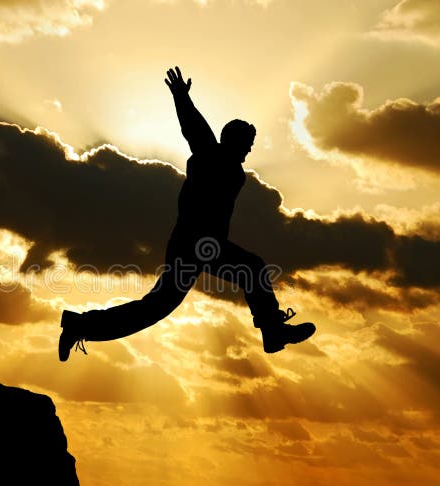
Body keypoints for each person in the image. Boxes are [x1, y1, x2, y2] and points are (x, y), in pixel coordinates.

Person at [58, 66, 315, 361]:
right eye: (247, 145)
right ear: (233, 142)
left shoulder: (232, 167)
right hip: (195, 242)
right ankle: (272, 331)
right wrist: (181, 97)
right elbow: (194, 128)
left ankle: (79, 325)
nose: (249, 151)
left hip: (202, 245)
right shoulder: (211, 155)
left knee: (157, 306)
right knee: (251, 268)